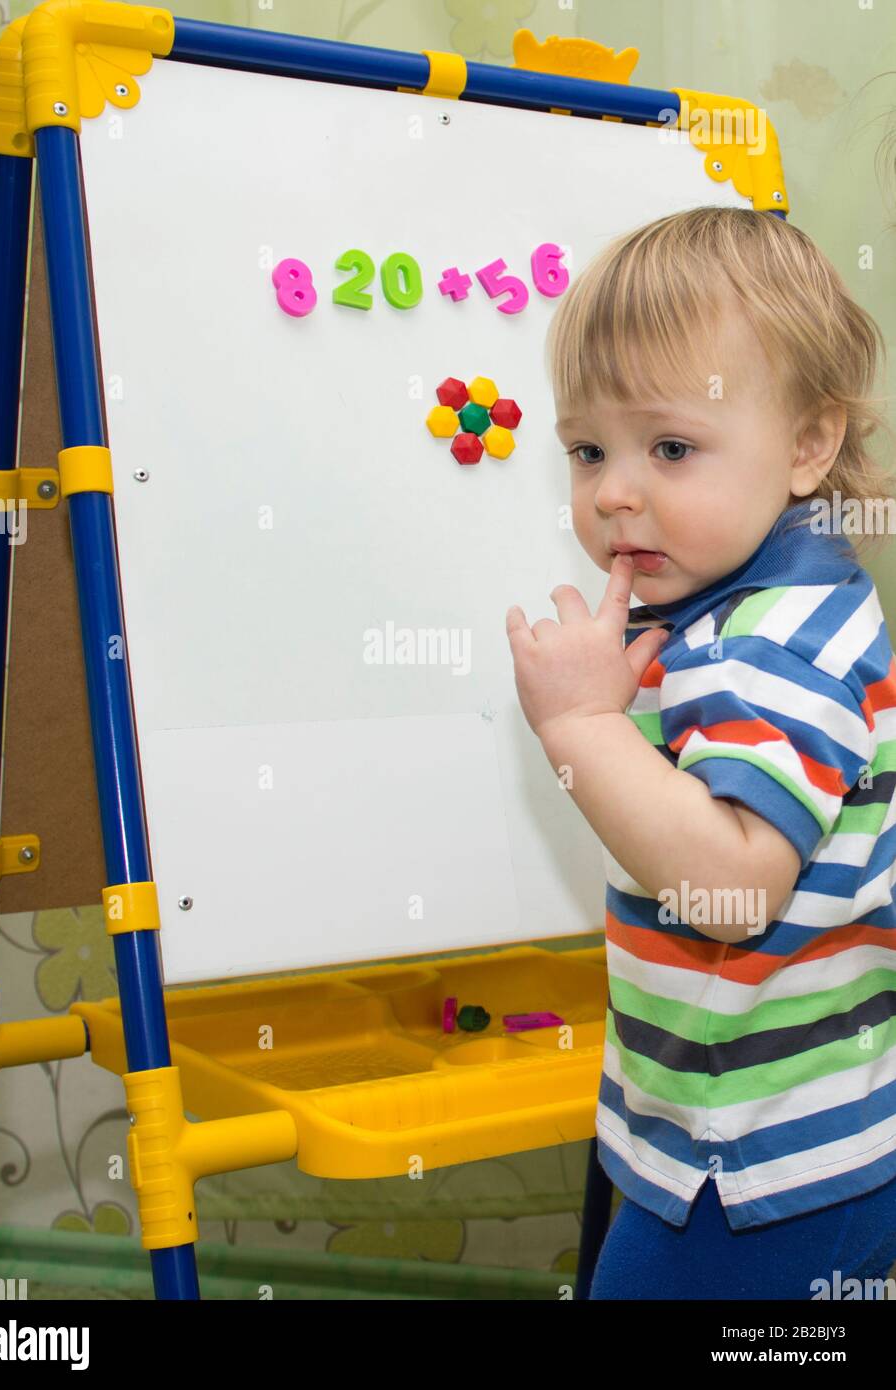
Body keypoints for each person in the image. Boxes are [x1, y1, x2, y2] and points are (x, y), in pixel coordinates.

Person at [506, 206, 896, 1299]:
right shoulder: (750, 609)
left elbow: (730, 891)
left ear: (808, 444)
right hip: (776, 1131)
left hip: (766, 1160)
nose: (614, 490)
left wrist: (582, 729)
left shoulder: (773, 643)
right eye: (587, 451)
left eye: (668, 447)